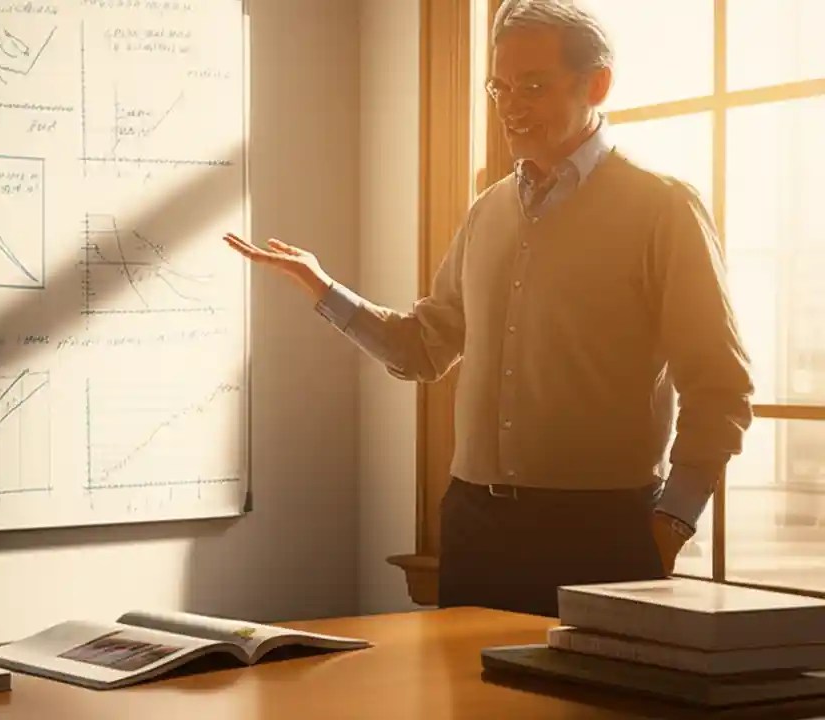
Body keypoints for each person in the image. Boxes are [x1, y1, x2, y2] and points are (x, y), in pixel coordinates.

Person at [222, 0, 754, 617]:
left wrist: (672, 524)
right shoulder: (487, 211)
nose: (509, 104)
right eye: (499, 86)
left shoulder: (663, 208)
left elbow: (721, 386)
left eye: (533, 85)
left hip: (601, 529)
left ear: (598, 84)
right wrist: (322, 288)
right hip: (476, 525)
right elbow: (424, 349)